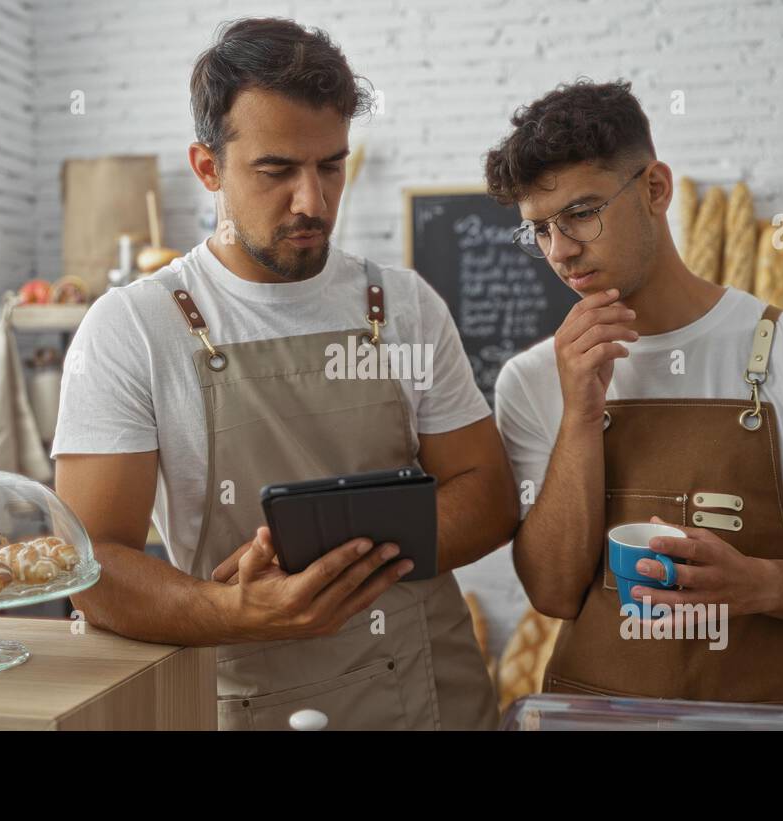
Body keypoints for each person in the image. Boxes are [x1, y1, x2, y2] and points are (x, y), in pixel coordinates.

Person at [52, 18, 516, 730]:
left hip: (432, 694)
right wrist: (233, 609)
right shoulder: (131, 330)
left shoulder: (404, 307)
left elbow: (489, 497)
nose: (313, 201)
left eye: (330, 165)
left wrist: (325, 558)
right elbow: (92, 566)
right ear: (208, 168)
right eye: (277, 171)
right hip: (256, 700)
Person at [484, 79, 783, 704]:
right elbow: (552, 592)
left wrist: (762, 585)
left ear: (655, 188)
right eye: (539, 229)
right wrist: (578, 419)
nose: (561, 251)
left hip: (753, 720)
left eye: (581, 213)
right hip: (589, 719)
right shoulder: (533, 378)